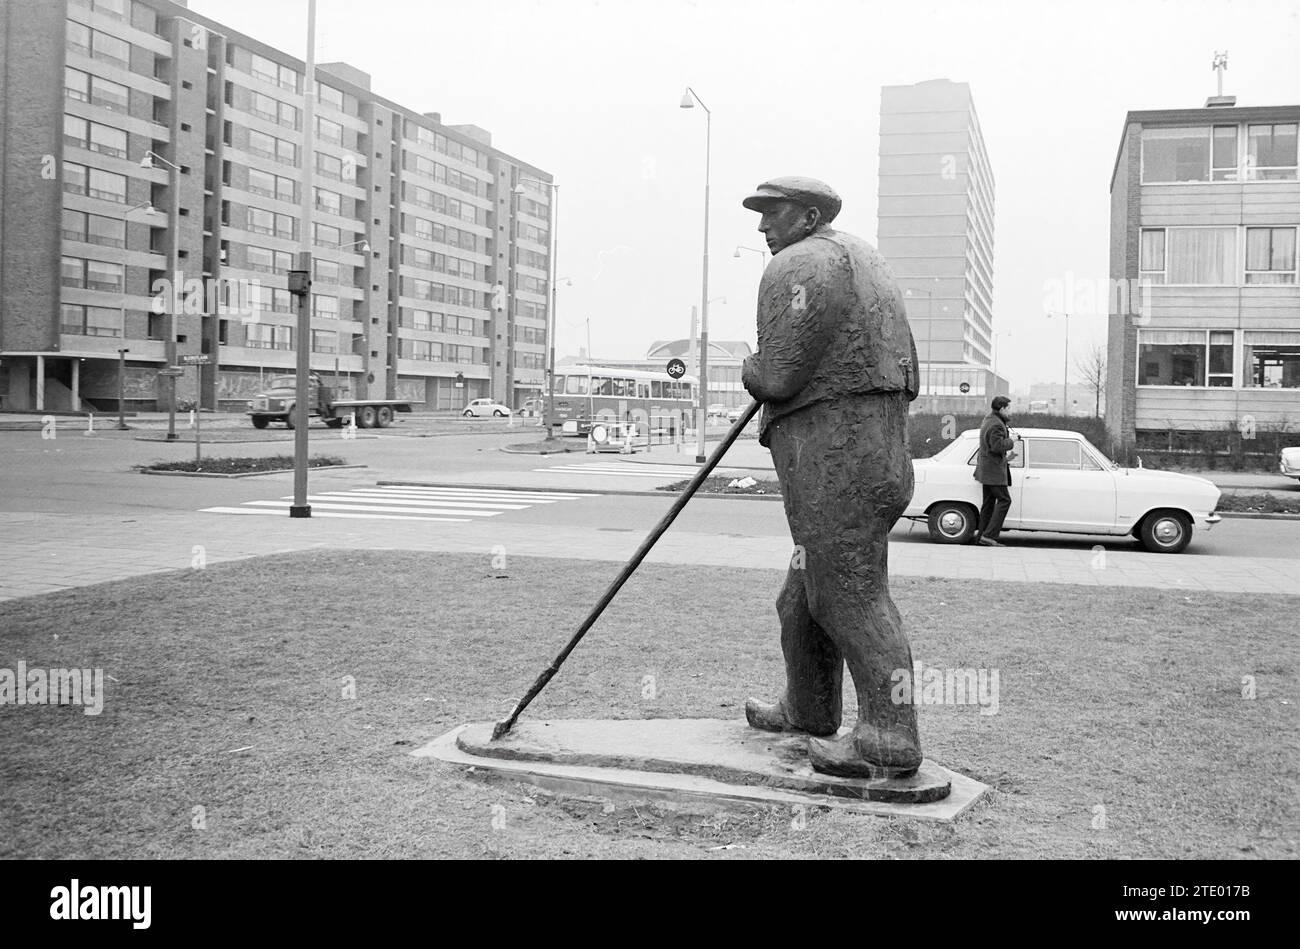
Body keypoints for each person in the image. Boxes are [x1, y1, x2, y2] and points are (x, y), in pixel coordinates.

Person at [738, 176, 923, 778]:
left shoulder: (799, 265)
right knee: (802, 593)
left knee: (849, 597)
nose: (763, 226)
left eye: (774, 213)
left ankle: (889, 736)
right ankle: (810, 707)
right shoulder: (868, 262)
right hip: (879, 451)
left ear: (809, 215)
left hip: (834, 456)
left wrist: (752, 367)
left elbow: (778, 377)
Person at [973, 395, 1017, 547]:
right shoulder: (996, 425)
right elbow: (997, 446)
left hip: (987, 469)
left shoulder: (989, 419)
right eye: (1009, 408)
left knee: (988, 504)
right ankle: (989, 535)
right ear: (1002, 408)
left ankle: (981, 537)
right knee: (1005, 500)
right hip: (993, 471)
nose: (1010, 411)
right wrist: (1012, 441)